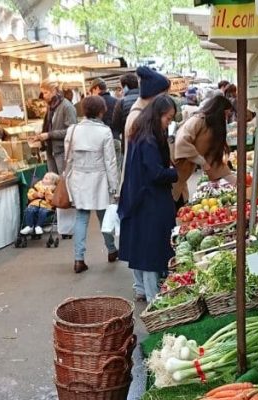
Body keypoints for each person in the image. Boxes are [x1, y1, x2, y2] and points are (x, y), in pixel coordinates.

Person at [119, 95, 179, 302]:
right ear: (157, 115)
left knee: (142, 248)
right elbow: (155, 173)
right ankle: (154, 299)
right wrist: (174, 173)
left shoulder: (140, 134)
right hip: (150, 200)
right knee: (151, 251)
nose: (168, 123)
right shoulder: (149, 140)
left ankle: (143, 290)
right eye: (167, 118)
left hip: (139, 198)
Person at [64, 96, 120, 274]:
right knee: (104, 216)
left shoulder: (73, 130)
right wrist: (114, 186)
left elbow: (68, 158)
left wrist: (68, 179)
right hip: (99, 178)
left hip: (78, 178)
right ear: (101, 111)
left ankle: (78, 259)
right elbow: (110, 161)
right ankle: (111, 250)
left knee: (81, 217)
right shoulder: (104, 132)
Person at [173, 95, 235, 205]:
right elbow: (181, 142)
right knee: (172, 199)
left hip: (182, 175)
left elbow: (212, 158)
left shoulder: (211, 128)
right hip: (173, 170)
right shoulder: (198, 120)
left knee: (178, 199)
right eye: (225, 114)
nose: (226, 118)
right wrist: (200, 161)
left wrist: (232, 180)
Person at [33, 81, 77, 176]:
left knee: (64, 181)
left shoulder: (67, 106)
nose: (43, 96)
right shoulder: (51, 107)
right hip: (51, 150)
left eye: (46, 92)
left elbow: (72, 131)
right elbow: (49, 126)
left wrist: (49, 135)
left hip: (63, 152)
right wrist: (41, 136)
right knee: (53, 181)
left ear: (53, 91)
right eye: (43, 93)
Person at [124, 66, 172, 138]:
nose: (165, 98)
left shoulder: (144, 112)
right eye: (163, 95)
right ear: (154, 94)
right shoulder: (139, 118)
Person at [112, 73, 140, 140]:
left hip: (129, 139)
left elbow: (116, 125)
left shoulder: (121, 102)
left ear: (125, 87)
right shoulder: (147, 99)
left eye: (121, 88)